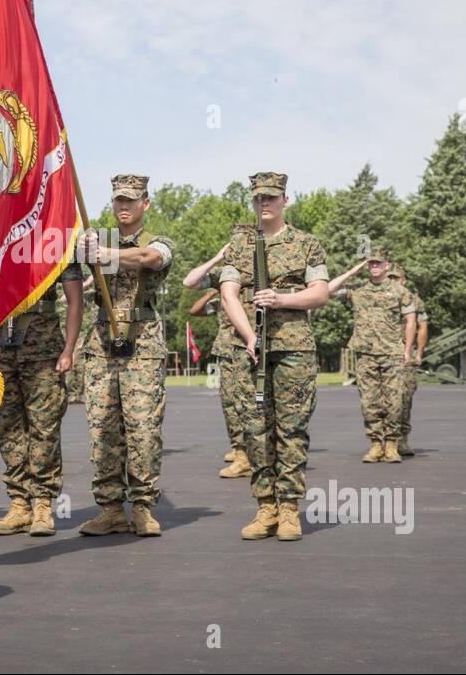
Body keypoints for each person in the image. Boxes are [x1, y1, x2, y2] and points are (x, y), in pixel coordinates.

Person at [219, 172, 329, 541]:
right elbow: (229, 293)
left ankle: (289, 510)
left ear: (285, 200)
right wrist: (249, 335)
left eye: (271, 197)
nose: (264, 203)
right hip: (250, 351)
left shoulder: (306, 244)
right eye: (257, 198)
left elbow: (319, 293)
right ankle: (265, 506)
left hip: (293, 349)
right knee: (255, 429)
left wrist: (283, 300)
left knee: (291, 430)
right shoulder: (240, 246)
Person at [76, 175, 175, 538]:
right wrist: (83, 250)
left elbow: (151, 259)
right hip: (102, 346)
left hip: (143, 347)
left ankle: (143, 507)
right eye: (118, 200)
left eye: (131, 201)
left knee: (143, 430)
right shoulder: (95, 240)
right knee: (102, 431)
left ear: (145, 204)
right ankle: (111, 509)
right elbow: (67, 269)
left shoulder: (158, 243)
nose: (123, 206)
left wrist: (109, 256)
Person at [0, 261, 83, 537]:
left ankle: (42, 504)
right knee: (7, 427)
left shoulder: (55, 240)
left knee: (44, 427)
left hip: (43, 349)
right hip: (0, 348)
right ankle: (19, 505)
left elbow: (75, 299)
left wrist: (69, 349)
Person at [327, 250, 417, 463]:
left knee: (394, 402)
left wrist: (407, 350)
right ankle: (376, 444)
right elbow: (328, 290)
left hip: (391, 353)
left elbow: (411, 321)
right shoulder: (358, 290)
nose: (374, 266)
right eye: (371, 263)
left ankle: (392, 444)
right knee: (369, 403)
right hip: (365, 354)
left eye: (378, 263)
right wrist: (354, 269)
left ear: (387, 265)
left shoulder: (400, 291)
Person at [183, 224, 256, 479]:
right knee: (231, 405)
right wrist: (217, 259)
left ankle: (259, 454)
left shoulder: (265, 275)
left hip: (255, 350)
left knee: (255, 405)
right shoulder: (225, 276)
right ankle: (241, 454)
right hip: (228, 351)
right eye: (234, 244)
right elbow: (190, 282)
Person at [387, 264, 427, 456]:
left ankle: (402, 439)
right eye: (391, 278)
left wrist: (418, 353)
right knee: (384, 400)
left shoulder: (414, 300)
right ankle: (385, 440)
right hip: (385, 353)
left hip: (405, 356)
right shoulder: (383, 297)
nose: (394, 281)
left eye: (397, 278)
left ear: (404, 280)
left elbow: (422, 327)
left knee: (405, 398)